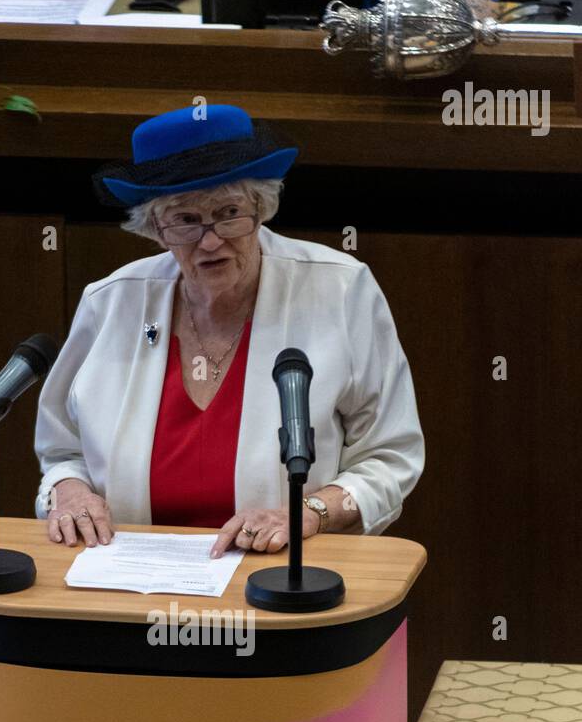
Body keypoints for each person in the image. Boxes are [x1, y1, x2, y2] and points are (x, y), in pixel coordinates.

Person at [34, 103, 424, 557]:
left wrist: (310, 511)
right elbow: (63, 451)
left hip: (287, 578)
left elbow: (390, 458)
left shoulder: (340, 288)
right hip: (130, 585)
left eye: (228, 212)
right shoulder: (112, 301)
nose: (211, 239)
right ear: (155, 230)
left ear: (261, 208)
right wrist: (72, 495)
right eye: (186, 220)